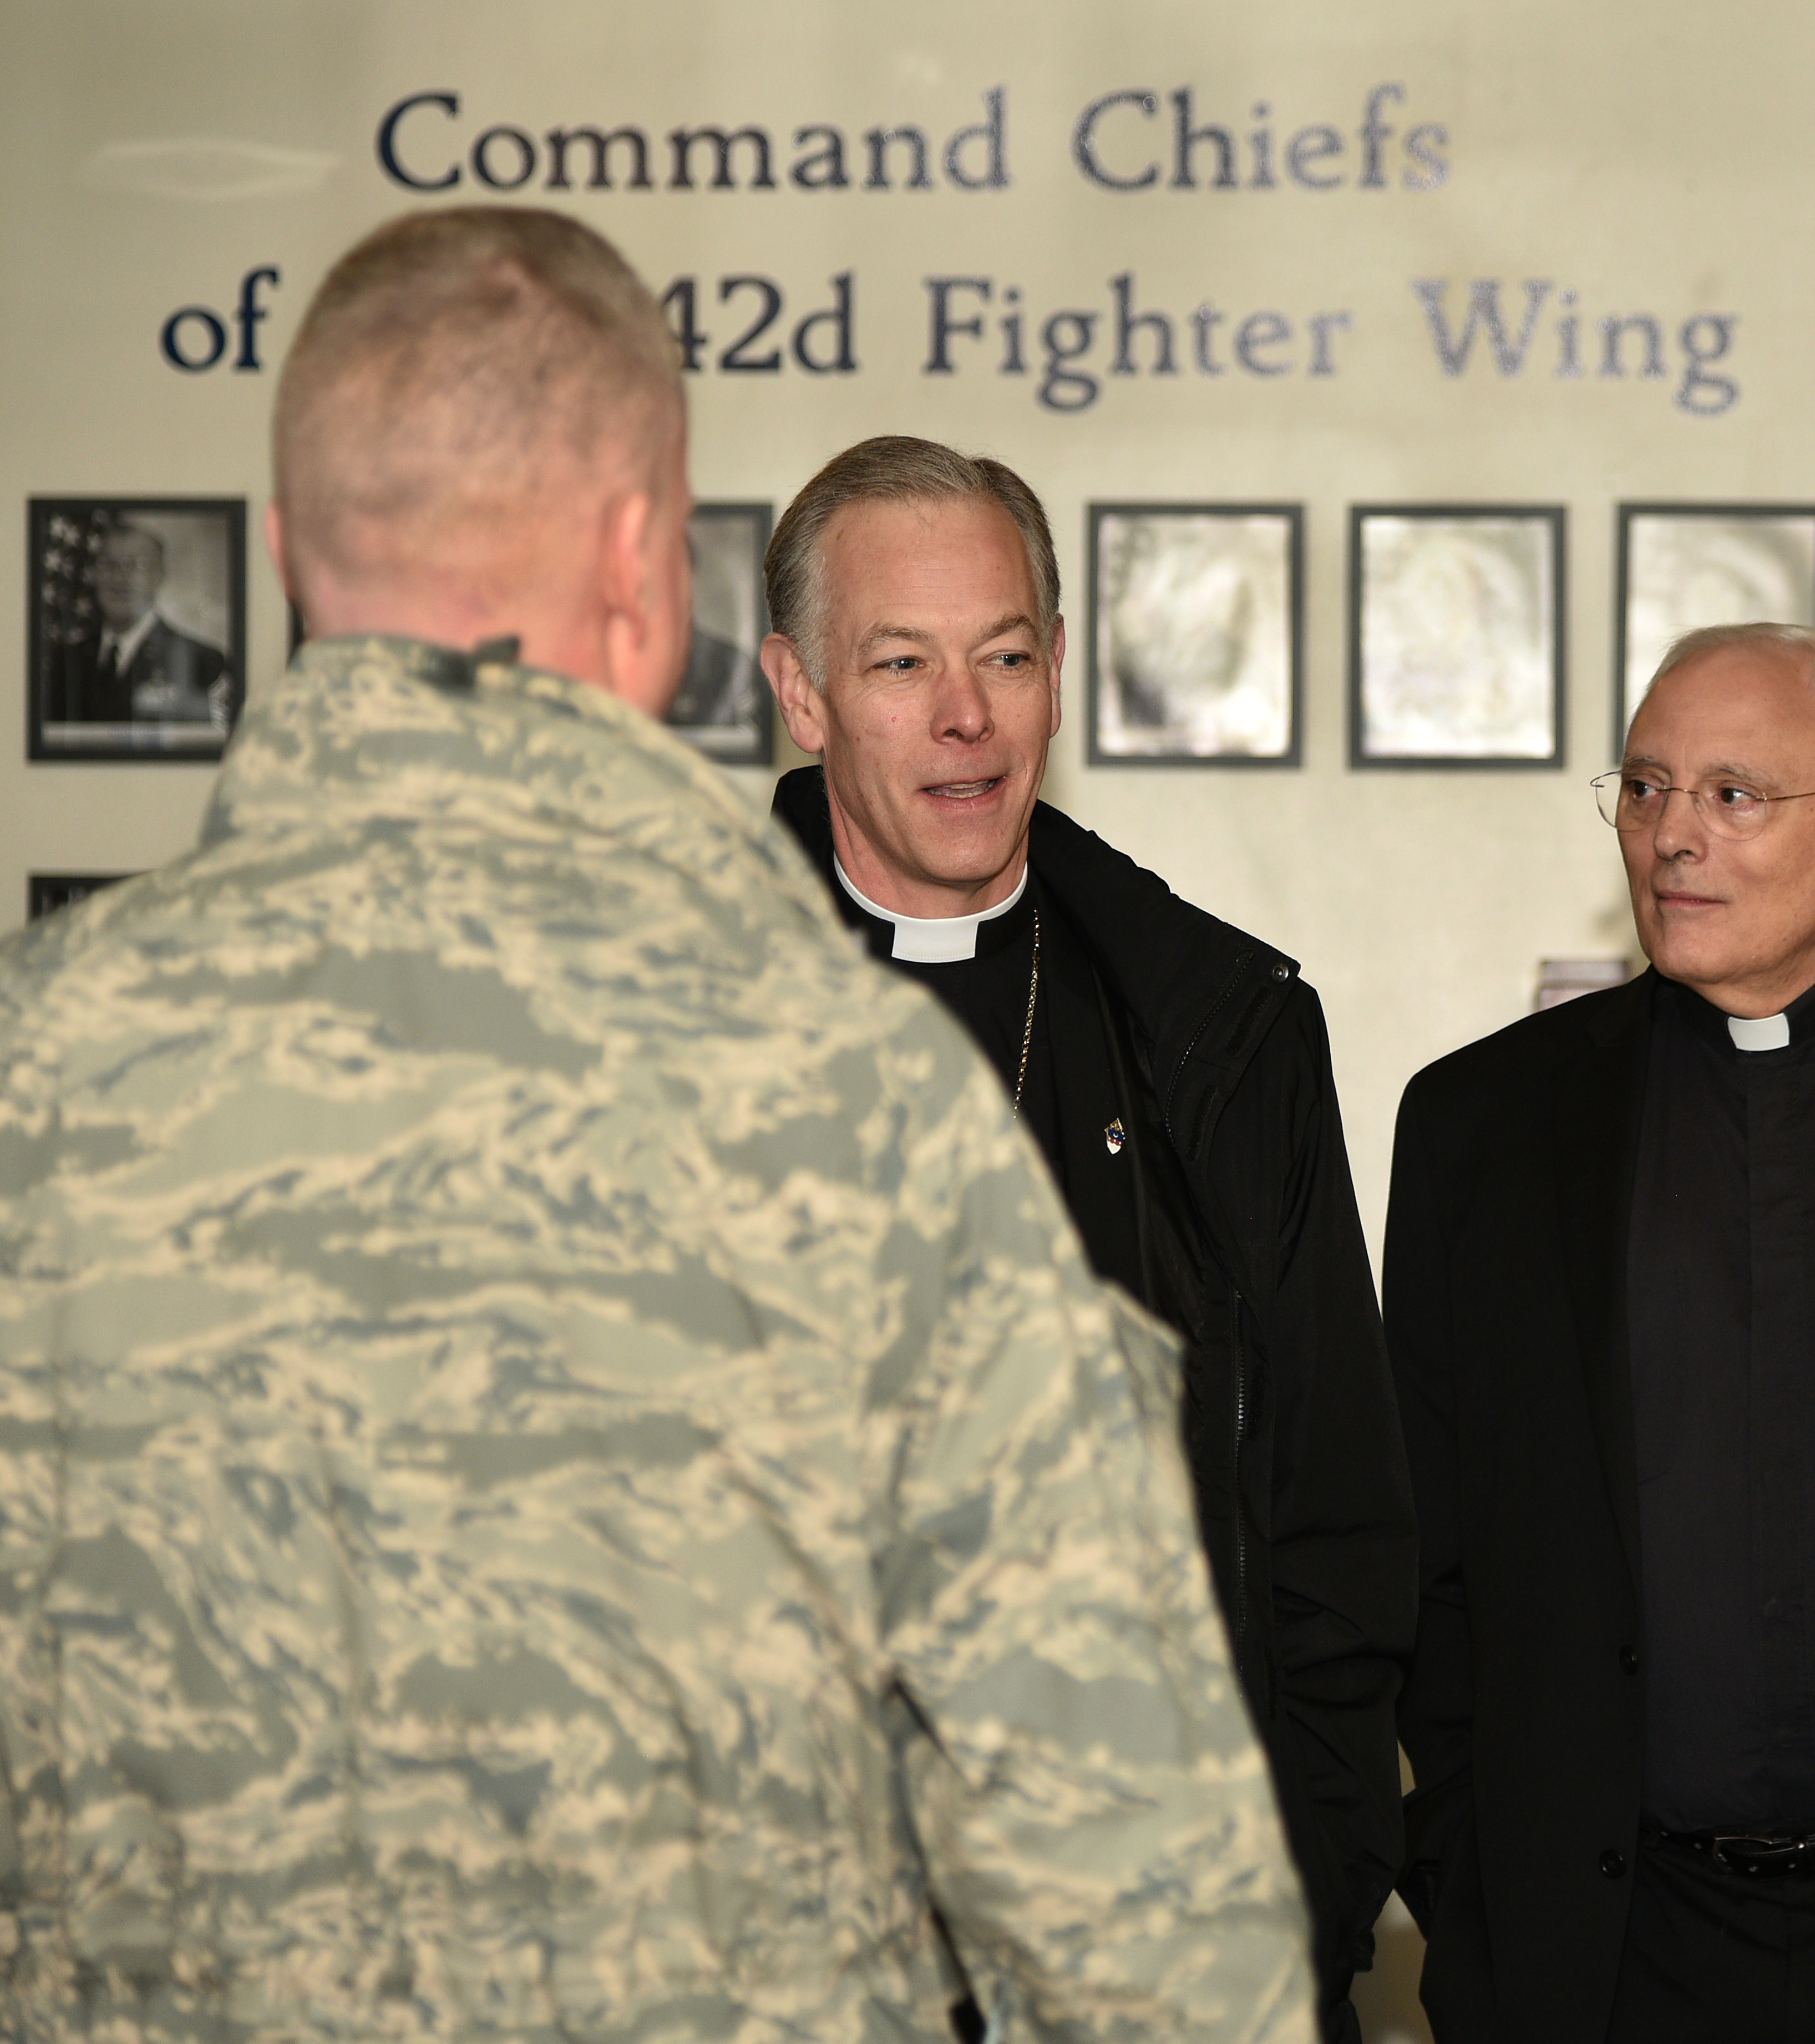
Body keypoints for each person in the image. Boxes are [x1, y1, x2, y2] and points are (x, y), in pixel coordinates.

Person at [0, 207, 1308, 2041]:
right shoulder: (859, 1106)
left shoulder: (33, 1064)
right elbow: (1146, 1915)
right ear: (647, 565)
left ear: (287, 556)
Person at [757, 435, 1413, 2042]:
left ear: (1057, 673)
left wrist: (1303, 1904)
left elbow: (1335, 1527)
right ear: (801, 693)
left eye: (1006, 654)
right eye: (900, 662)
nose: (965, 714)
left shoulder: (1222, 1033)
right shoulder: (656, 1022)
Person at [1386, 623, 1815, 2044]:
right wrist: (1467, 1875)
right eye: (1643, 789)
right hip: (1614, 1952)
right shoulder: (1485, 1124)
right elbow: (1428, 1558)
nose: (1670, 837)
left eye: (1732, 795)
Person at [44, 515, 239, 729]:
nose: (120, 579)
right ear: (95, 574)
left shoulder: (203, 662)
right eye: (109, 565)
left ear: (160, 575)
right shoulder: (62, 662)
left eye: (137, 566)